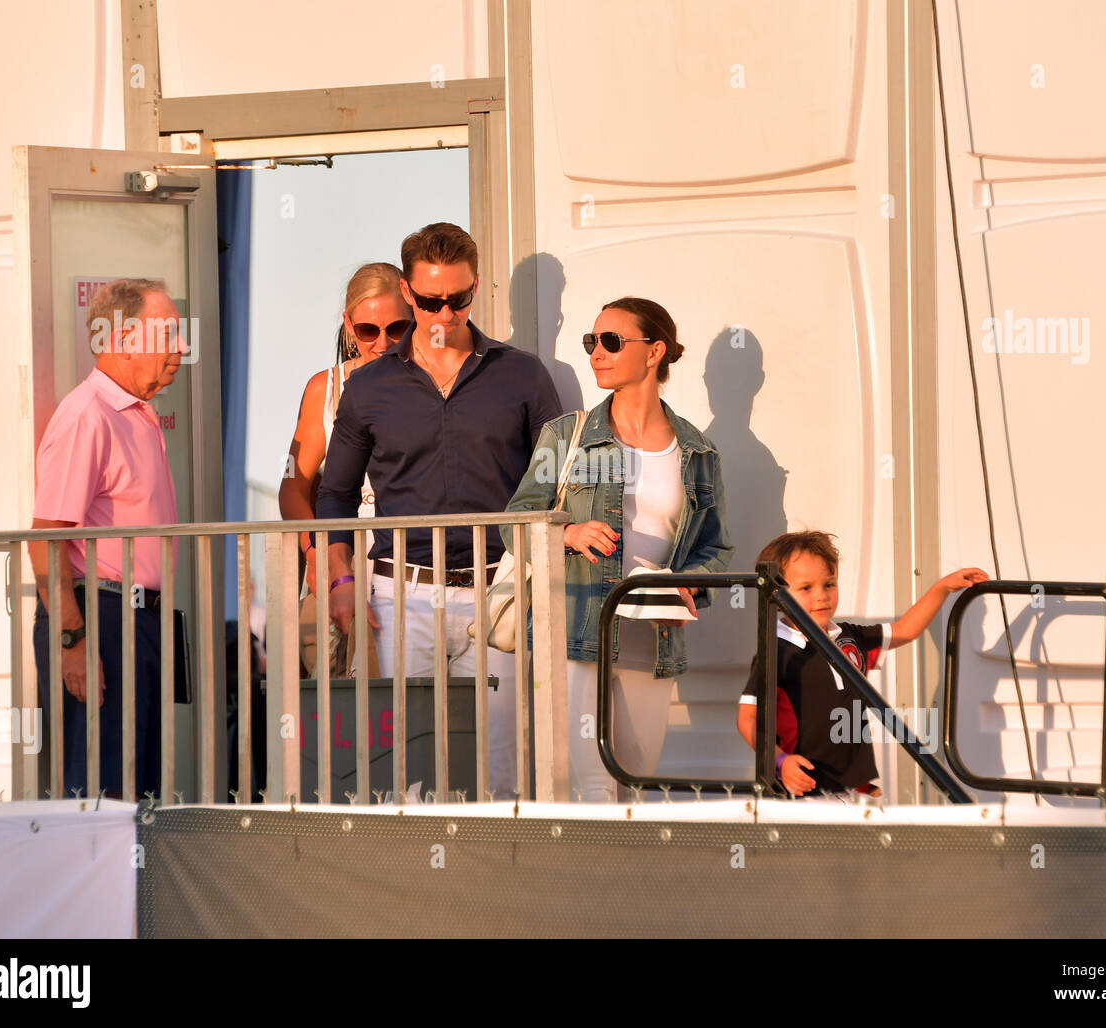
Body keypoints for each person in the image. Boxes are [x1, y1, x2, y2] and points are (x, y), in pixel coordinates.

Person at [316, 223, 563, 798]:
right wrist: (341, 577)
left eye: (458, 299)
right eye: (430, 301)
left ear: (476, 288)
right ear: (408, 291)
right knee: (408, 772)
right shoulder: (369, 387)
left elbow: (559, 485)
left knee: (504, 765)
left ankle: (503, 877)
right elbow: (334, 496)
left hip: (500, 592)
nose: (444, 314)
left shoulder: (522, 374)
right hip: (402, 595)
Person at [505, 297, 734, 802]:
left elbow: (715, 547)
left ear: (654, 353)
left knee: (633, 787)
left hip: (652, 639)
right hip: (575, 630)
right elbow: (515, 525)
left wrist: (689, 586)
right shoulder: (567, 436)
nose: (596, 353)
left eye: (611, 341)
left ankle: (622, 881)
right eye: (592, 342)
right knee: (587, 788)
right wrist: (568, 534)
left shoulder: (697, 451)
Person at [28, 277, 186, 797]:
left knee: (136, 795)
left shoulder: (136, 415)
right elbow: (46, 538)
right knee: (98, 796)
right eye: (166, 334)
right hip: (100, 617)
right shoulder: (88, 414)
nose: (180, 348)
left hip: (137, 620)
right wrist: (73, 640)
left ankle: (133, 882)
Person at [736, 529, 988, 797]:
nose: (821, 595)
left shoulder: (849, 636)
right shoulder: (776, 652)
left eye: (829, 584)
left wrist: (942, 588)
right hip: (802, 791)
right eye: (806, 588)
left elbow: (905, 629)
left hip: (851, 790)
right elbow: (748, 720)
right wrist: (780, 761)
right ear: (776, 597)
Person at [279, 262, 411, 675]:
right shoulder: (326, 388)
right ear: (349, 326)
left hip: (418, 566)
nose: (382, 342)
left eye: (396, 329)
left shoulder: (436, 386)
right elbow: (291, 486)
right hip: (345, 565)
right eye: (368, 330)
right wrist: (317, 554)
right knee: (345, 710)